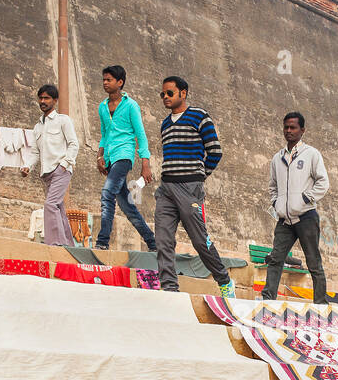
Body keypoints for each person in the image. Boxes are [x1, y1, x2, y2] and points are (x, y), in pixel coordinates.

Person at [154, 76, 235, 300]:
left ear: (183, 93)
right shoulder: (165, 124)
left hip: (190, 188)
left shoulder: (200, 117)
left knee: (199, 240)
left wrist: (199, 176)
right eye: (162, 94)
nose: (165, 98)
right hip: (166, 189)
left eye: (170, 93)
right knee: (162, 239)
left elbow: (215, 151)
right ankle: (169, 288)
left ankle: (224, 280)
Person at [263, 112, 329, 303]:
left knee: (314, 262)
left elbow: (323, 182)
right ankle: (268, 299)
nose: (289, 131)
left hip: (306, 217)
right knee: (275, 258)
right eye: (286, 127)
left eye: (293, 127)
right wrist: (276, 203)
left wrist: (305, 199)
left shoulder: (311, 154)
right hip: (285, 220)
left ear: (302, 130)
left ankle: (321, 303)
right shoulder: (277, 158)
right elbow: (272, 186)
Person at [95, 65, 156, 251]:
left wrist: (145, 164)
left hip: (124, 156)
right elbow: (105, 135)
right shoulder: (102, 107)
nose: (105, 83)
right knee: (127, 206)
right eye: (104, 79)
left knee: (107, 194)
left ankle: (102, 242)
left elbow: (141, 135)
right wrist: (100, 156)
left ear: (120, 82)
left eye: (109, 80)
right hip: (111, 158)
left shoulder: (130, 105)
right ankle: (153, 243)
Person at [20, 84, 80, 247]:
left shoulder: (63, 120)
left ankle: (54, 244)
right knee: (58, 207)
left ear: (55, 100)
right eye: (40, 98)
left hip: (61, 170)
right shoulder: (38, 127)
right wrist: (27, 166)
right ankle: (68, 244)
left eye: (46, 98)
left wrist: (64, 164)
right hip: (46, 174)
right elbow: (35, 152)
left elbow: (74, 144)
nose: (43, 101)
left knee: (50, 205)